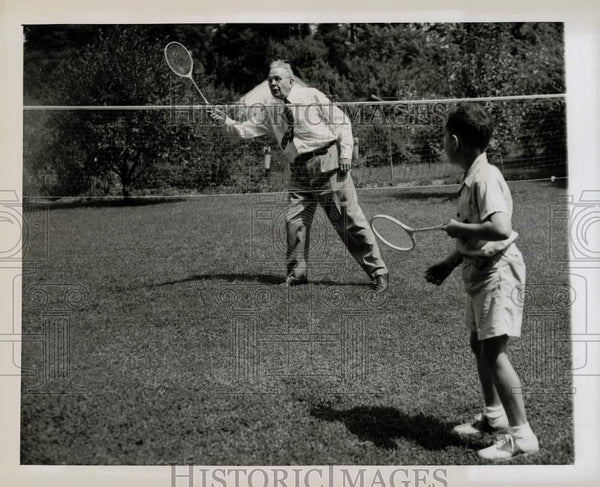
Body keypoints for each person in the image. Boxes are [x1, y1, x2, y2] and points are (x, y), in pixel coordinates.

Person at [210, 60, 389, 291]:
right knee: (294, 222)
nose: (273, 83)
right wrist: (225, 121)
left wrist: (345, 154)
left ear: (291, 81)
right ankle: (297, 275)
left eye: (277, 79)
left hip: (329, 163)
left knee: (349, 222)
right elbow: (246, 130)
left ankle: (379, 272)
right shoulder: (270, 109)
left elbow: (341, 120)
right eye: (270, 79)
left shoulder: (311, 96)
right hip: (299, 171)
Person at [425, 104, 539, 460]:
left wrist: (459, 229)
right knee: (480, 344)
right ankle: (494, 416)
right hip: (481, 271)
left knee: (493, 352)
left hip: (498, 273)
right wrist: (449, 261)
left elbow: (500, 228)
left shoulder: (484, 177)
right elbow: (480, 238)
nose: (443, 142)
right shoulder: (474, 174)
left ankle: (521, 435)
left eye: (444, 136)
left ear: (455, 140)